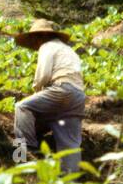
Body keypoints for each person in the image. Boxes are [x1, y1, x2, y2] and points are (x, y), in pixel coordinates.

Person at [12, 19, 85, 175]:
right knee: (70, 143)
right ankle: (70, 183)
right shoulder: (69, 50)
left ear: (42, 36)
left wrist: (36, 91)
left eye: (34, 39)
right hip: (77, 96)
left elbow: (42, 76)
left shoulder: (47, 46)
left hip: (61, 90)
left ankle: (24, 154)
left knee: (22, 107)